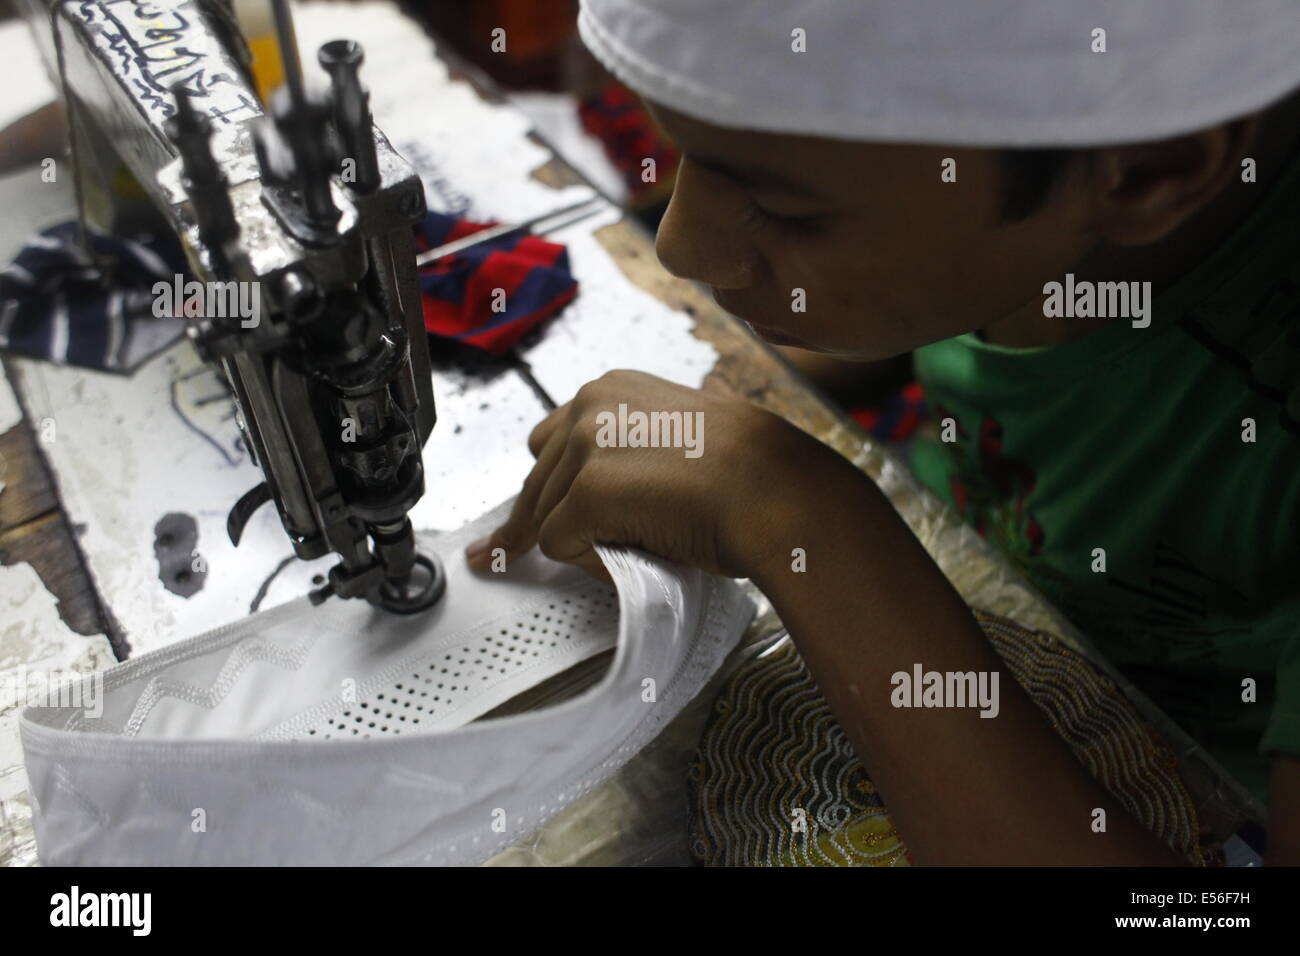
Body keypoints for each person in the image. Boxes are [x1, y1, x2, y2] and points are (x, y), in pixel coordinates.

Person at [466, 0, 1300, 864]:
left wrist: (793, 514)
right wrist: (731, 429)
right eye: (686, 158)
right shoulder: (1051, 169)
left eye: (787, 212)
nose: (681, 247)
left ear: (1150, 174)